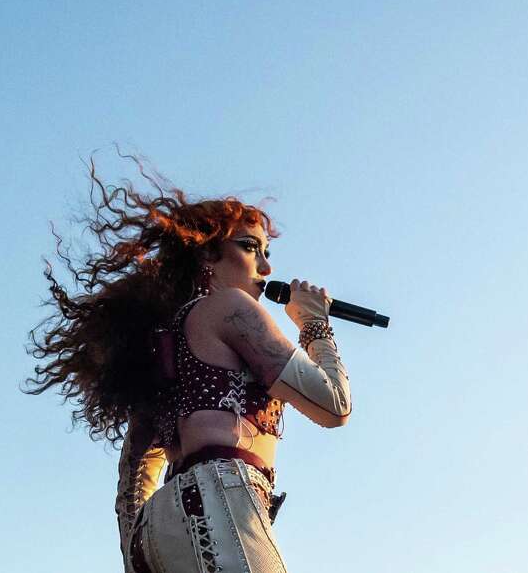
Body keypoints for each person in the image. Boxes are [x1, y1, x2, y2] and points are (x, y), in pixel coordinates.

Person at [26, 159, 351, 572]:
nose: (266, 268)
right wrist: (314, 323)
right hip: (223, 498)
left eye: (266, 253)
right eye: (250, 248)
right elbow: (334, 404)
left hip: (161, 525)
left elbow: (135, 471)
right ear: (206, 256)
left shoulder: (164, 342)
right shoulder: (230, 308)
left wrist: (137, 548)